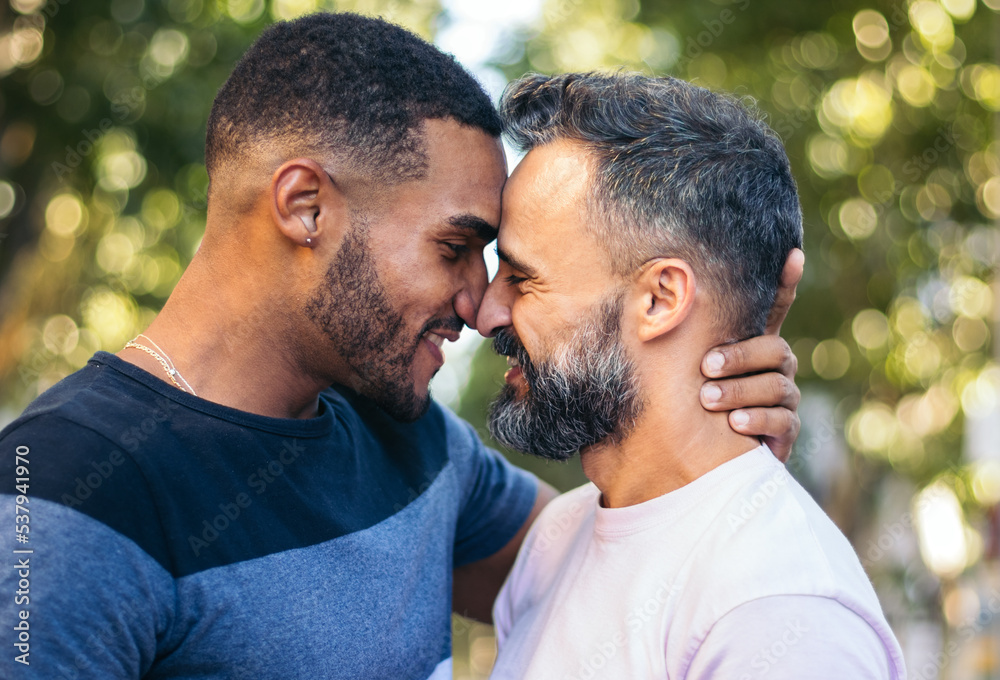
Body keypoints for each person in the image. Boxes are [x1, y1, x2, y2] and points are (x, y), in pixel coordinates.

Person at [0, 14, 802, 680]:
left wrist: (705, 387)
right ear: (306, 207)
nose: (479, 304)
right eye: (455, 247)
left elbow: (627, 564)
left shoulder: (411, 440)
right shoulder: (60, 501)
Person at [479, 72, 905, 679]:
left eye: (521, 278)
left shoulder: (780, 613)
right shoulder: (554, 541)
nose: (485, 313)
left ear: (660, 299)